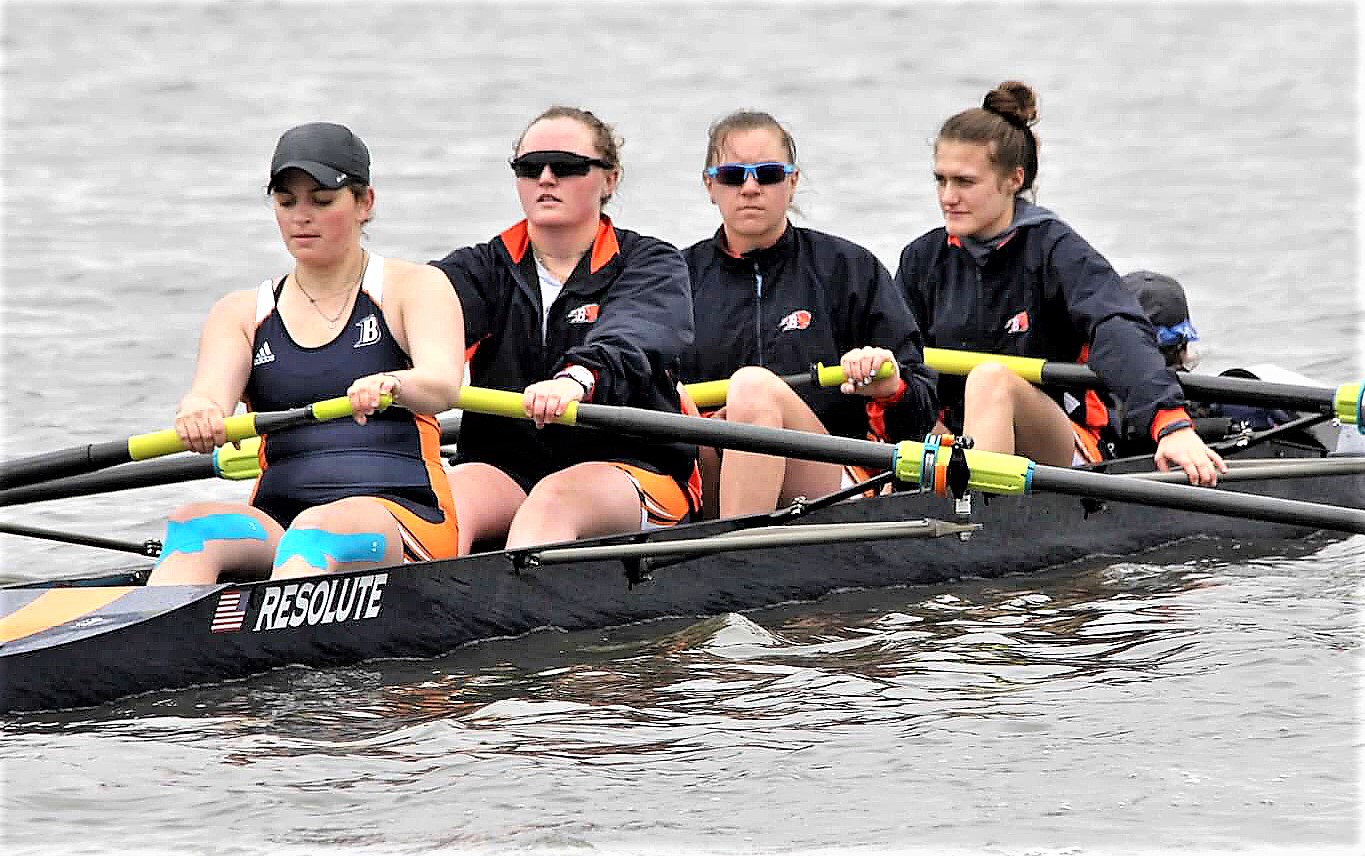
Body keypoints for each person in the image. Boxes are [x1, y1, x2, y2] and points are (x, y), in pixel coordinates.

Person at [147, 122, 466, 585]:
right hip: (281, 522)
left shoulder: (414, 287)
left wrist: (396, 384)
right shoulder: (241, 313)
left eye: (321, 200)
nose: (301, 216)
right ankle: (149, 647)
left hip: (403, 517)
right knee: (194, 525)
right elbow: (208, 397)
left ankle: (262, 645)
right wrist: (197, 414)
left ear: (364, 203)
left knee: (316, 532)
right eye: (286, 201)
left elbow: (441, 384)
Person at [894, 81, 1228, 486]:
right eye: (940, 180)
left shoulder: (1056, 249)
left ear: (1013, 179)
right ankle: (951, 497)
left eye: (965, 182)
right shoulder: (922, 259)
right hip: (955, 442)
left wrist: (1171, 423)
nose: (948, 197)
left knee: (990, 378)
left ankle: (971, 515)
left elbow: (1117, 328)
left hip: (1059, 441)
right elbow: (907, 365)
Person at [430, 106, 698, 553]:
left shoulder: (651, 263)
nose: (547, 178)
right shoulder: (481, 269)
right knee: (443, 501)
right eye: (530, 167)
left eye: (568, 167)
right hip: (505, 467)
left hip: (633, 467)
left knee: (553, 500)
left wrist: (576, 378)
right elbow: (411, 316)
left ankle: (517, 604)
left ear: (609, 179)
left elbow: (631, 333)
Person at [678, 110, 937, 518]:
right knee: (725, 403)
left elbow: (921, 411)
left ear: (792, 182)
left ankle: (732, 553)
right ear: (710, 185)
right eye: (732, 175)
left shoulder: (850, 268)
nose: (749, 188)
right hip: (711, 464)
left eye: (767, 174)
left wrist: (890, 388)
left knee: (752, 388)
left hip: (833, 474)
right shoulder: (676, 280)